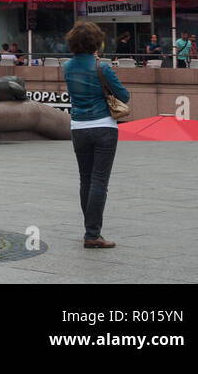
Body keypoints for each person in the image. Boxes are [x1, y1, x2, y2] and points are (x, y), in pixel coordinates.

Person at [61, 20, 130, 249]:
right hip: (103, 126)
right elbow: (124, 96)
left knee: (86, 179)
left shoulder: (68, 67)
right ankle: (92, 234)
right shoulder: (103, 67)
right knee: (100, 180)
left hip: (78, 126)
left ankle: (90, 230)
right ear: (96, 43)